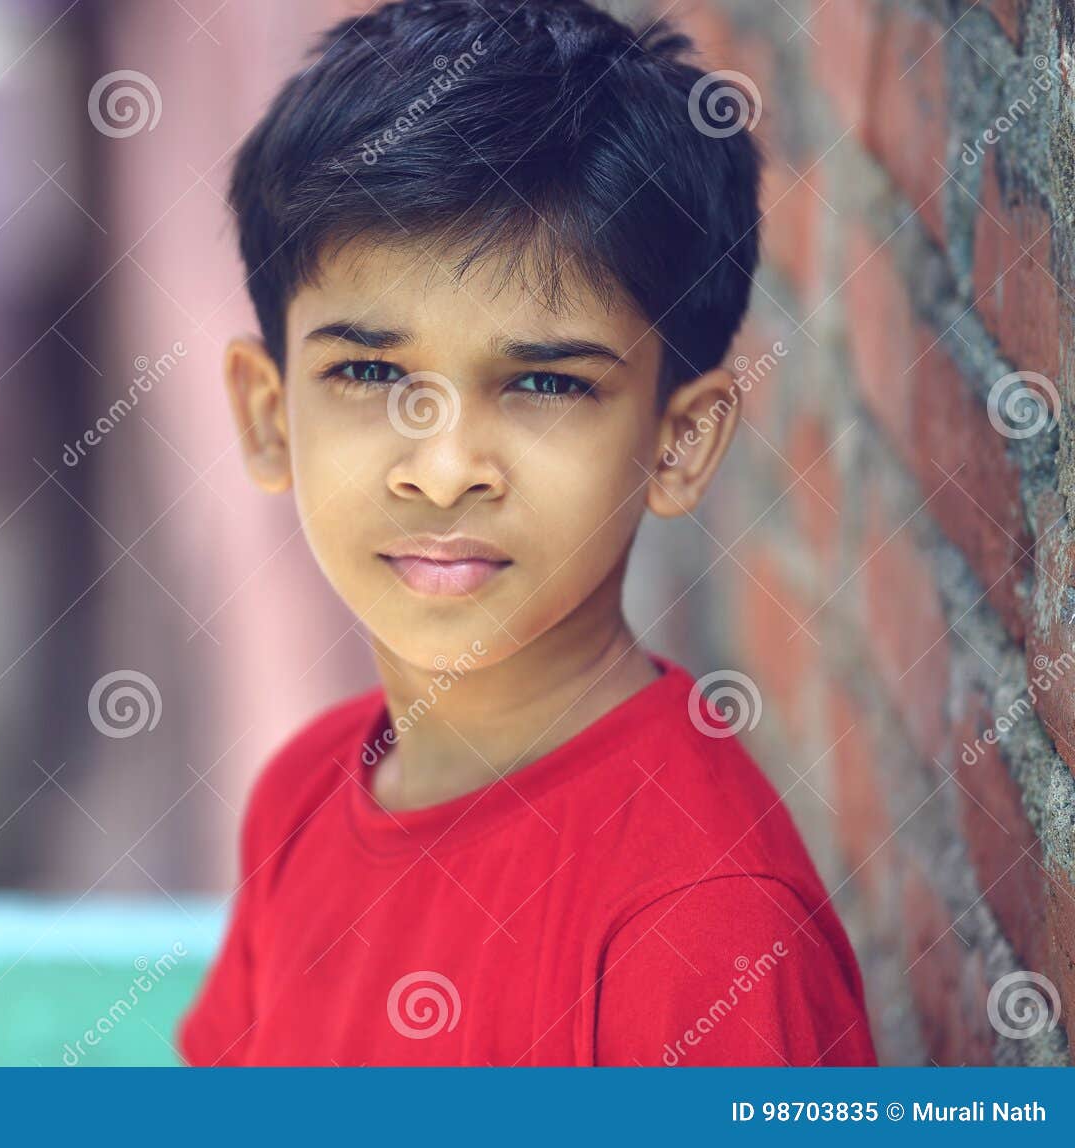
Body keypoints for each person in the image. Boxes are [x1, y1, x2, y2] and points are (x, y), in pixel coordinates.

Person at [177, 0, 877, 1065]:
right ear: (271, 416)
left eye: (544, 381)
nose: (445, 466)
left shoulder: (703, 926)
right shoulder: (301, 797)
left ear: (677, 442)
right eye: (369, 373)